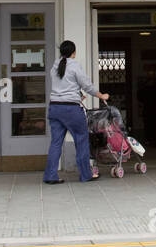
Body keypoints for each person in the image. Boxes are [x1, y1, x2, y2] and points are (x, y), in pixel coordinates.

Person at [45, 40, 108, 184]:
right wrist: (101, 95)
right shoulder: (74, 66)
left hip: (54, 108)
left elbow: (62, 87)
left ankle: (50, 176)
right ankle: (86, 175)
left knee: (55, 143)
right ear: (73, 52)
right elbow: (87, 85)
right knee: (81, 140)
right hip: (71, 109)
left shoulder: (55, 66)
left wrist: (77, 95)